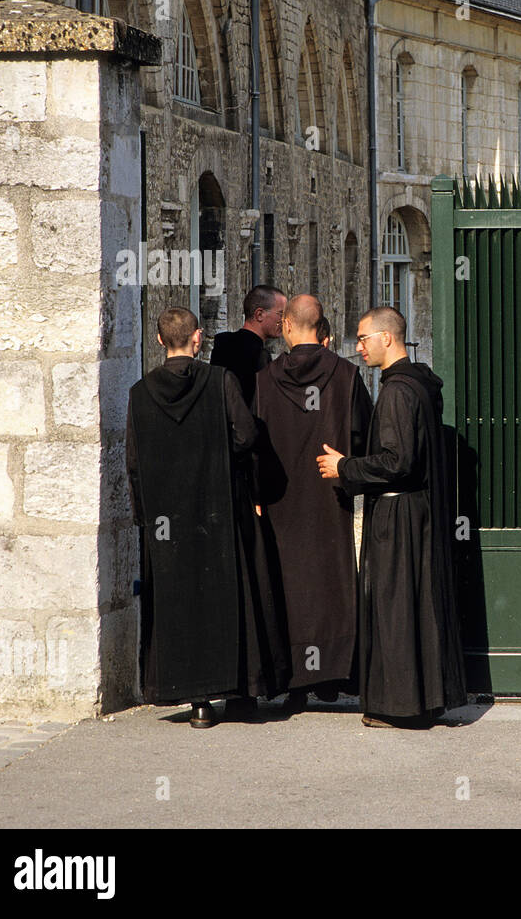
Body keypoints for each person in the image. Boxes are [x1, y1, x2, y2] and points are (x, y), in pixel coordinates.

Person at [126, 307, 291, 727]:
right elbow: (246, 434)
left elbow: (134, 463)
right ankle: (240, 691)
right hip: (221, 505)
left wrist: (145, 517)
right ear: (197, 339)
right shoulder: (220, 381)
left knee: (180, 602)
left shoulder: (140, 393)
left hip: (169, 517)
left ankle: (196, 699)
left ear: (160, 341)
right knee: (231, 595)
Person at [316, 306, 467, 727]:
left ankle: (401, 707)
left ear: (388, 337)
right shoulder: (413, 384)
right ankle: (416, 701)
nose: (359, 346)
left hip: (399, 514)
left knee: (395, 607)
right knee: (411, 605)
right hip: (413, 511)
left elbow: (398, 461)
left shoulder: (398, 391)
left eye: (364, 338)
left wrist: (345, 468)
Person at [254, 295, 372, 713]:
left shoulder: (265, 381)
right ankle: (332, 674)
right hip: (329, 494)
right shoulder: (347, 376)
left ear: (286, 326)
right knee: (330, 581)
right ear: (321, 326)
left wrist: (257, 493)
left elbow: (253, 444)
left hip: (281, 500)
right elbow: (363, 437)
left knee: (287, 582)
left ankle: (294, 678)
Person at [211, 284, 287, 404]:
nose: (284, 321)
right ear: (259, 314)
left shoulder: (222, 345)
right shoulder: (259, 356)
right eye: (281, 314)